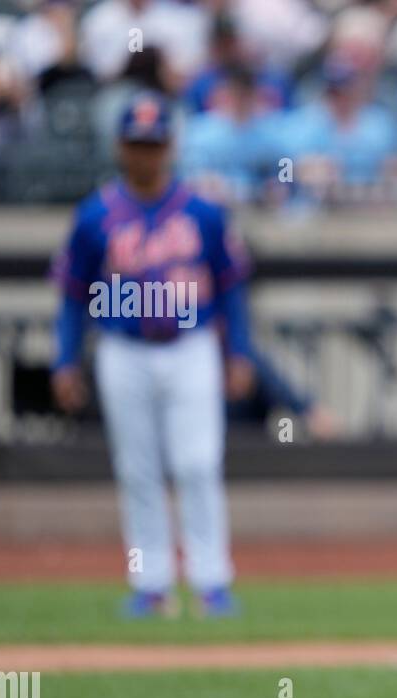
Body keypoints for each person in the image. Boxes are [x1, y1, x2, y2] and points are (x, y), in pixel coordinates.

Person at [50, 93, 254, 618]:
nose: (146, 153)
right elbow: (74, 293)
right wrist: (65, 360)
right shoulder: (95, 213)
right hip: (124, 346)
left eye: (155, 143)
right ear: (121, 146)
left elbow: (231, 287)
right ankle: (152, 583)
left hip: (190, 343)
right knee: (138, 468)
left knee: (197, 463)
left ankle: (211, 581)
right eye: (138, 144)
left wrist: (239, 353)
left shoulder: (203, 211)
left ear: (170, 145)